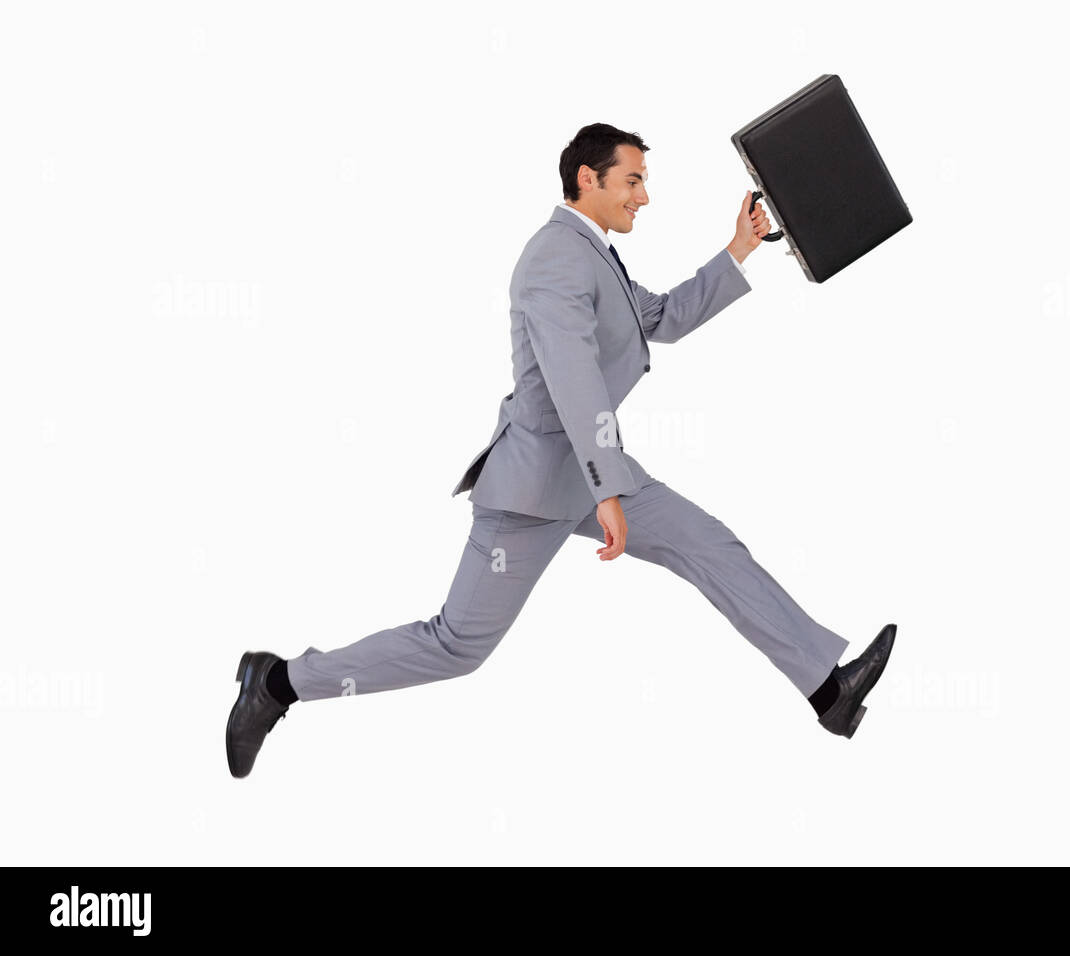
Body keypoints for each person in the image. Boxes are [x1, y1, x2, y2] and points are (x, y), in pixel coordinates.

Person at [226, 123, 897, 778]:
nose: (644, 196)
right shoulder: (554, 257)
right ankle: (278, 684)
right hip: (540, 483)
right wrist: (608, 490)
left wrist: (740, 247)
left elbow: (660, 318)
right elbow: (574, 382)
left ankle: (828, 692)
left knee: (707, 544)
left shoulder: (591, 253)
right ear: (588, 177)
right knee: (457, 646)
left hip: (587, 471)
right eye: (633, 180)